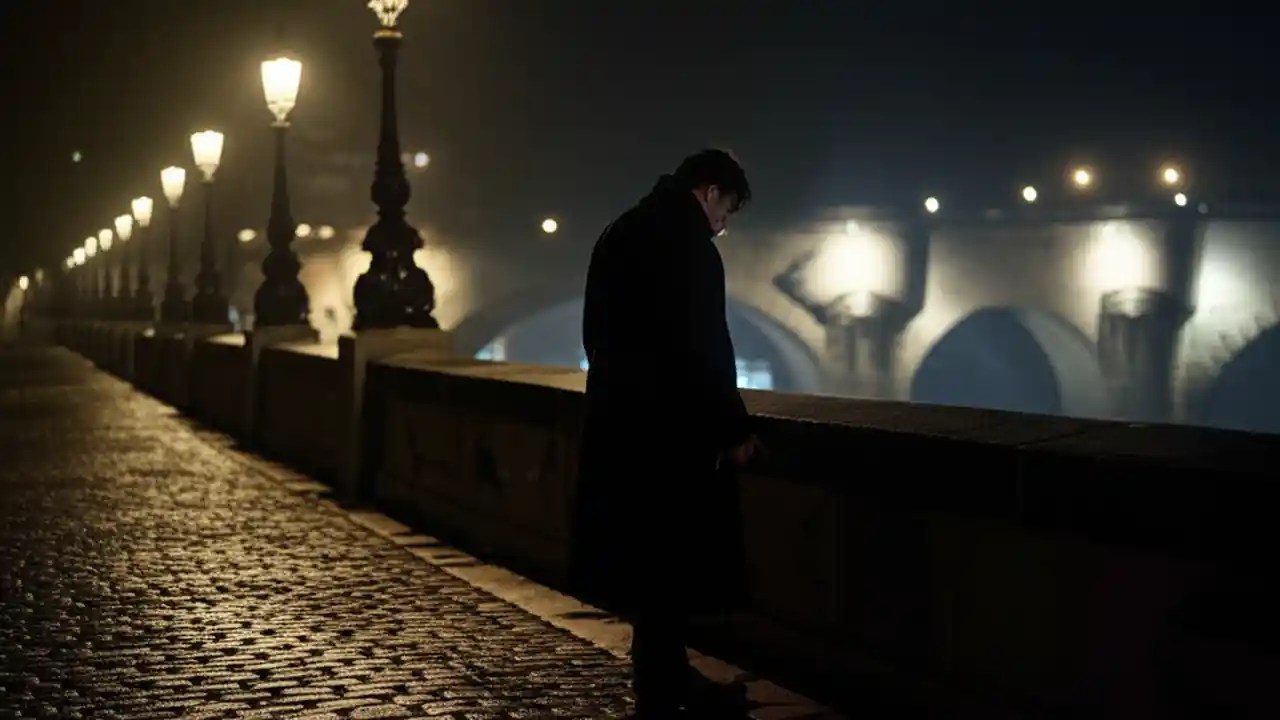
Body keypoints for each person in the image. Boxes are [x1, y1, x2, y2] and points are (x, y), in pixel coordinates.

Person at [570, 149, 765, 717]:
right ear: (708, 192)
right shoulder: (691, 250)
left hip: (619, 424)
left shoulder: (619, 232)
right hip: (673, 436)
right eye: (726, 210)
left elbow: (594, 334)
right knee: (673, 557)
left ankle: (660, 670)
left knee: (642, 558)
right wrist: (733, 431)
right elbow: (707, 349)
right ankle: (666, 679)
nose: (723, 225)